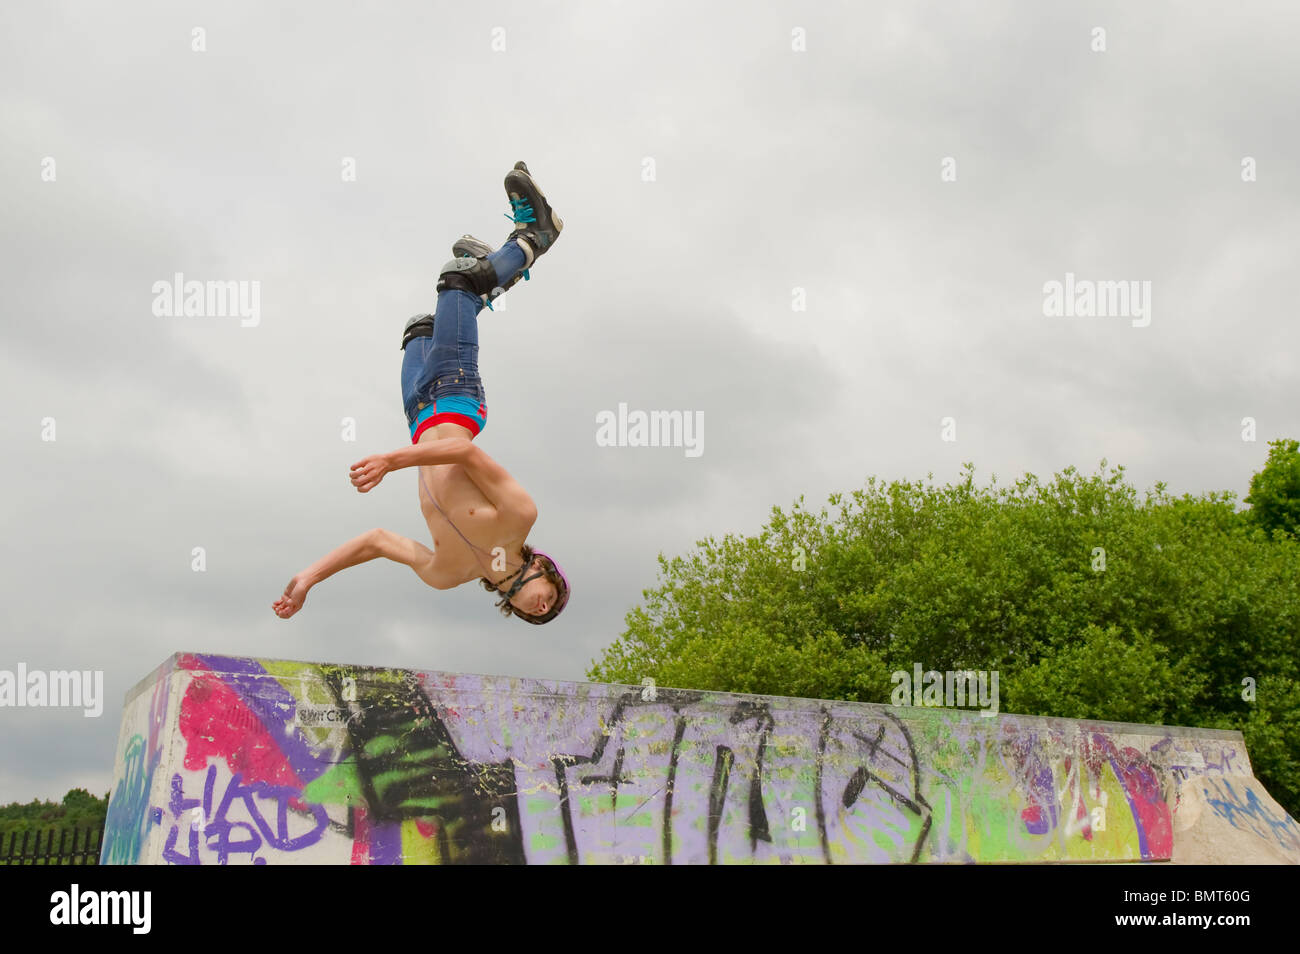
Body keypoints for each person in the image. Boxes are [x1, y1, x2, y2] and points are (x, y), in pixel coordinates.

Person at [272, 161, 570, 625]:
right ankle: (534, 238)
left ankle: (482, 274)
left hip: (417, 411)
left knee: (419, 327)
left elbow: (377, 541)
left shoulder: (443, 574)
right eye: (551, 599)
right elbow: (465, 456)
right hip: (456, 398)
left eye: (537, 614)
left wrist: (309, 577)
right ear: (544, 569)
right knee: (458, 281)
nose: (542, 606)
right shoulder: (518, 517)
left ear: (509, 606)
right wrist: (390, 462)